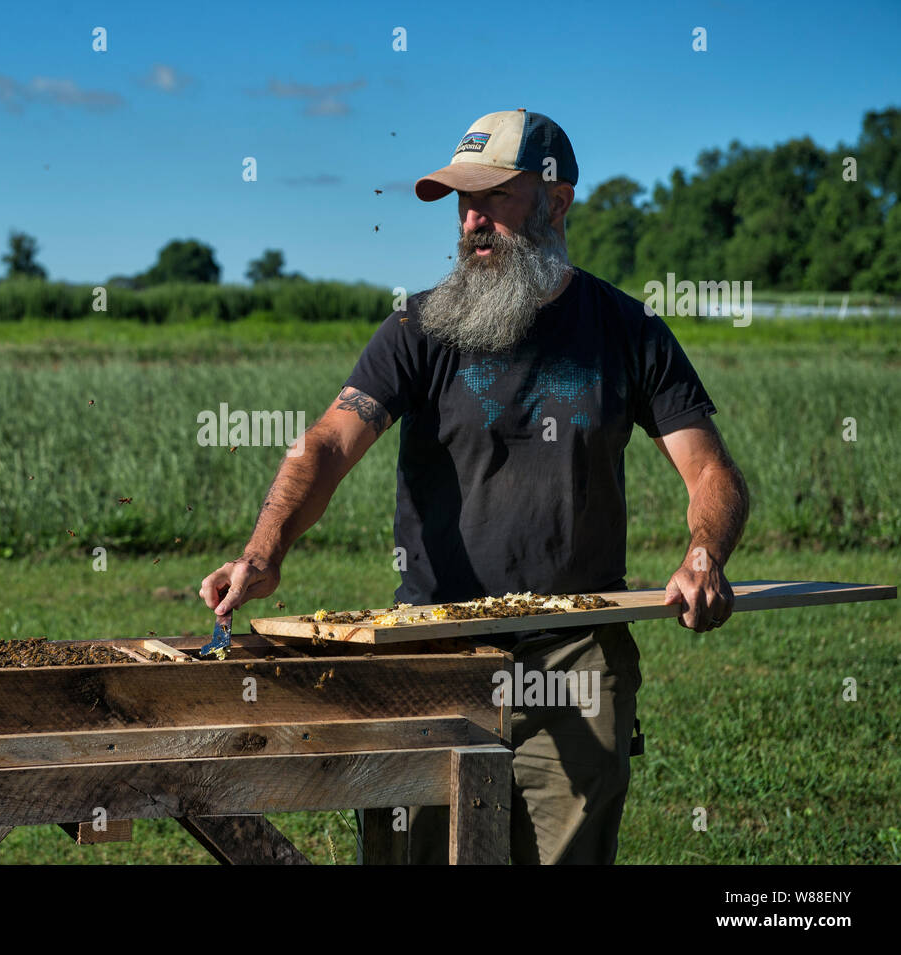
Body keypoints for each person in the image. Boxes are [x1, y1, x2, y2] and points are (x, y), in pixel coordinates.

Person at [199, 109, 749, 864]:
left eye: (493, 197)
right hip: (430, 647)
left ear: (556, 203)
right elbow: (327, 441)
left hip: (575, 651)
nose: (471, 220)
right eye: (461, 201)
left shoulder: (629, 330)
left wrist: (704, 553)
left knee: (565, 854)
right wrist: (264, 550)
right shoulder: (418, 327)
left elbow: (711, 471)